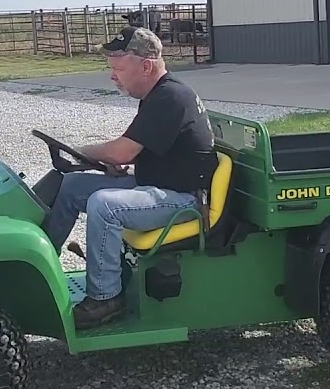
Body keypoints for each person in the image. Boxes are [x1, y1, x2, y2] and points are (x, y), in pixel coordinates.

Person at [40, 25, 217, 329]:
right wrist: (107, 160)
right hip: (157, 185)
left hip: (183, 199)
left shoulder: (171, 97)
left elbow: (122, 151)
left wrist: (82, 150)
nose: (113, 76)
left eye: (118, 68)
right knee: (72, 185)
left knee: (103, 205)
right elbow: (139, 147)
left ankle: (105, 298)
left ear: (145, 66)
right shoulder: (157, 96)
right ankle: (40, 266)